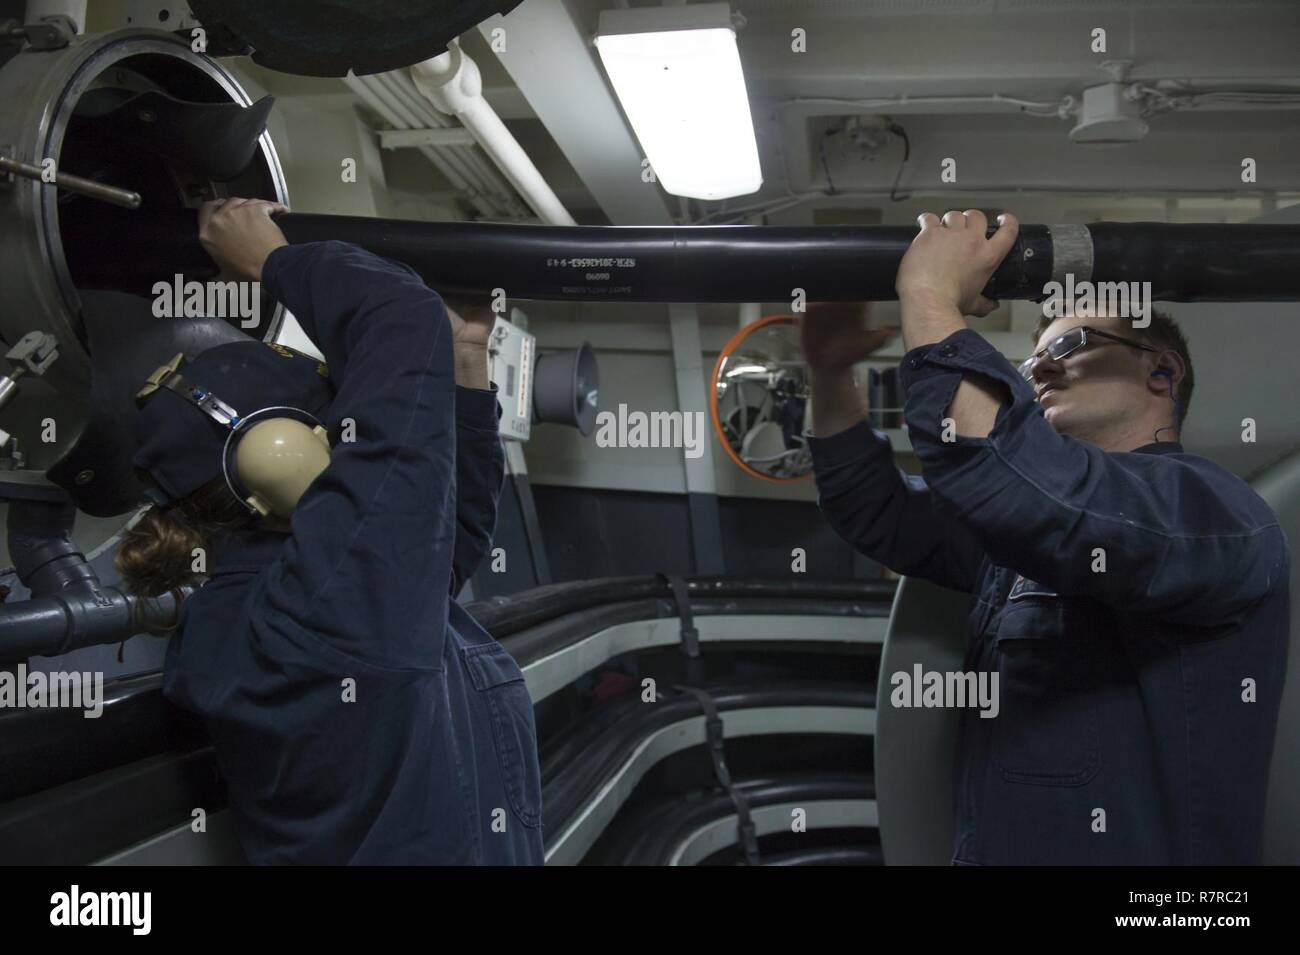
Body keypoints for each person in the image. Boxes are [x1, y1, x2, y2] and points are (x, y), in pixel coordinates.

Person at [802, 209, 1289, 865]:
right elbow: (876, 510)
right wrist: (830, 375)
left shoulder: (1212, 513)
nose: (1040, 368)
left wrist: (929, 296)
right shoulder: (1019, 534)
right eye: (1031, 358)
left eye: (1069, 346)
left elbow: (1016, 479)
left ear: (1161, 373)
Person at [117, 197, 544, 865]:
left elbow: (447, 544)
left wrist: (464, 354)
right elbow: (401, 320)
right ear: (284, 456)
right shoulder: (322, 604)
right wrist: (270, 261)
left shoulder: (274, 602)